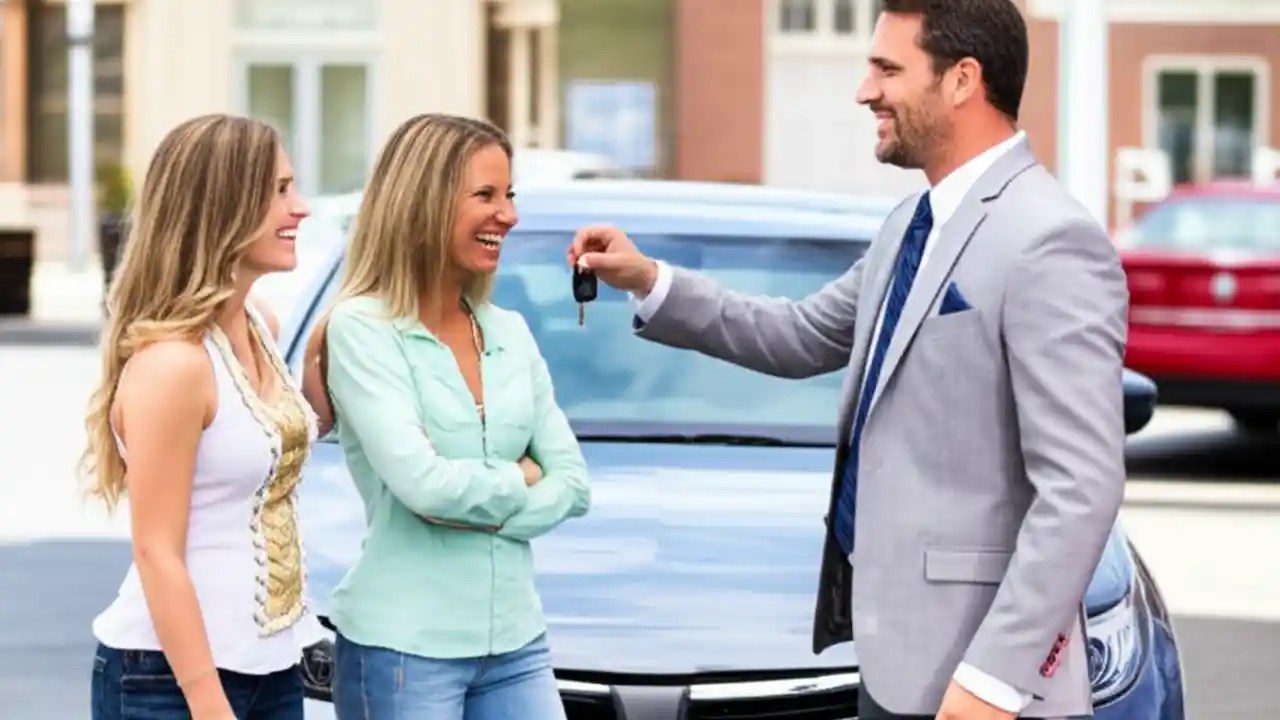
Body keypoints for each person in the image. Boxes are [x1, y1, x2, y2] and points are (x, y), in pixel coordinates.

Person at [567, 1, 1127, 718]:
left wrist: (993, 680)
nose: (865, 91)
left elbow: (1080, 489)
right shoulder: (910, 225)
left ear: (962, 80)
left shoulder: (1050, 240)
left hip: (981, 688)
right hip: (896, 664)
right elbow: (799, 334)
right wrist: (650, 281)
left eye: (887, 68)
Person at [300, 113, 590, 720]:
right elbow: (421, 486)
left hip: (517, 641)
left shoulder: (508, 331)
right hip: (405, 649)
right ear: (423, 205)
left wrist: (465, 507)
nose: (507, 214)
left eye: (508, 195)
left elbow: (573, 484)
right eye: (485, 195)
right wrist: (519, 478)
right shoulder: (361, 330)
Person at [81, 113, 323, 720]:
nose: (302, 208)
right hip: (171, 681)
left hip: (272, 668)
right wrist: (207, 701)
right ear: (222, 207)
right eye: (279, 191)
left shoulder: (259, 325)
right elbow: (157, 550)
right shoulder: (175, 365)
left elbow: (268, 455)